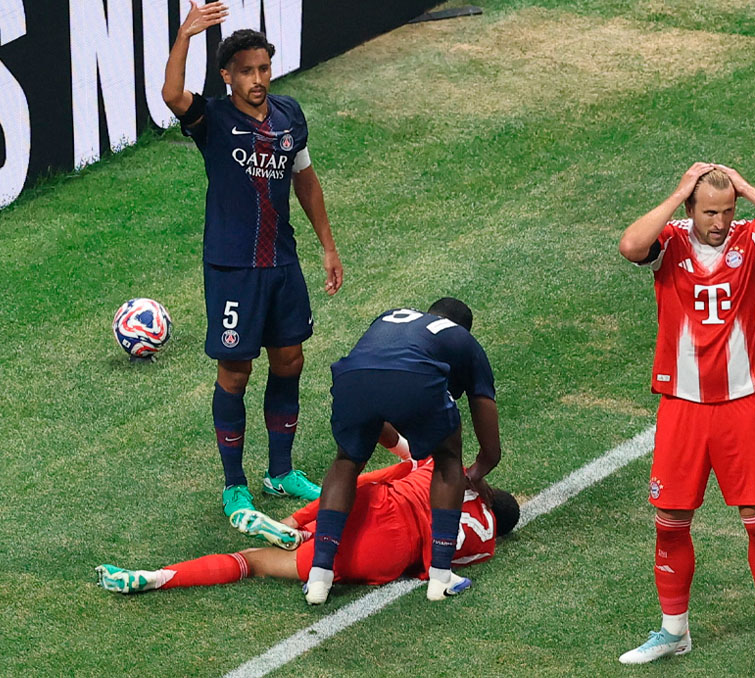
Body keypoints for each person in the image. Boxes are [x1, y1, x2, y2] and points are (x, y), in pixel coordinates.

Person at [617, 163, 755, 674]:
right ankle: (673, 631)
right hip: (681, 408)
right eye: (709, 211)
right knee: (670, 523)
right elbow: (629, 246)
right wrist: (677, 193)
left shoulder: (751, 241)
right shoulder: (671, 242)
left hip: (740, 406)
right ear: (689, 208)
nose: (720, 221)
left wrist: (748, 188)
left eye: (728, 211)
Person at [161, 2, 344, 521]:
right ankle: (234, 483)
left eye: (263, 68)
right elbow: (172, 94)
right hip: (233, 268)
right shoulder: (213, 120)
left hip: (282, 265)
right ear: (228, 76)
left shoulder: (289, 115)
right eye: (246, 71)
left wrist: (327, 246)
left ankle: (281, 472)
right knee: (236, 371)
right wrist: (186, 35)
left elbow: (305, 180)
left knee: (290, 360)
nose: (258, 79)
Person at [303, 298, 502, 605]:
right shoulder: (463, 339)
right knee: (448, 461)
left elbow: (378, 391)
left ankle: (319, 575)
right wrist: (477, 470)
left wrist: (405, 449)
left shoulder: (392, 316)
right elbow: (484, 414)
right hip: (414, 380)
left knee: (346, 461)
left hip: (351, 377)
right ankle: (440, 577)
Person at [95, 456, 520, 593]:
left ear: (483, 490)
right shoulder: (485, 547)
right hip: (389, 554)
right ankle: (155, 579)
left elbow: (371, 480)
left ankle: (295, 524)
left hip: (380, 508)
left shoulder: (448, 469)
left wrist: (305, 511)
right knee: (255, 562)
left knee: (348, 485)